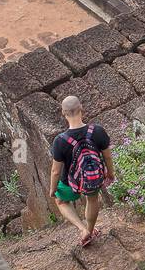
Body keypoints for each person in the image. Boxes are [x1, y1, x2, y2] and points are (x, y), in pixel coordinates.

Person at [48, 95, 114, 247]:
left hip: (69, 181)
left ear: (63, 113)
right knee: (92, 200)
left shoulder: (60, 140)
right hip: (93, 178)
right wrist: (110, 173)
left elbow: (55, 171)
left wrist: (52, 189)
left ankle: (82, 228)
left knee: (61, 201)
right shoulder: (97, 131)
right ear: (81, 109)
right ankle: (89, 231)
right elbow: (108, 157)